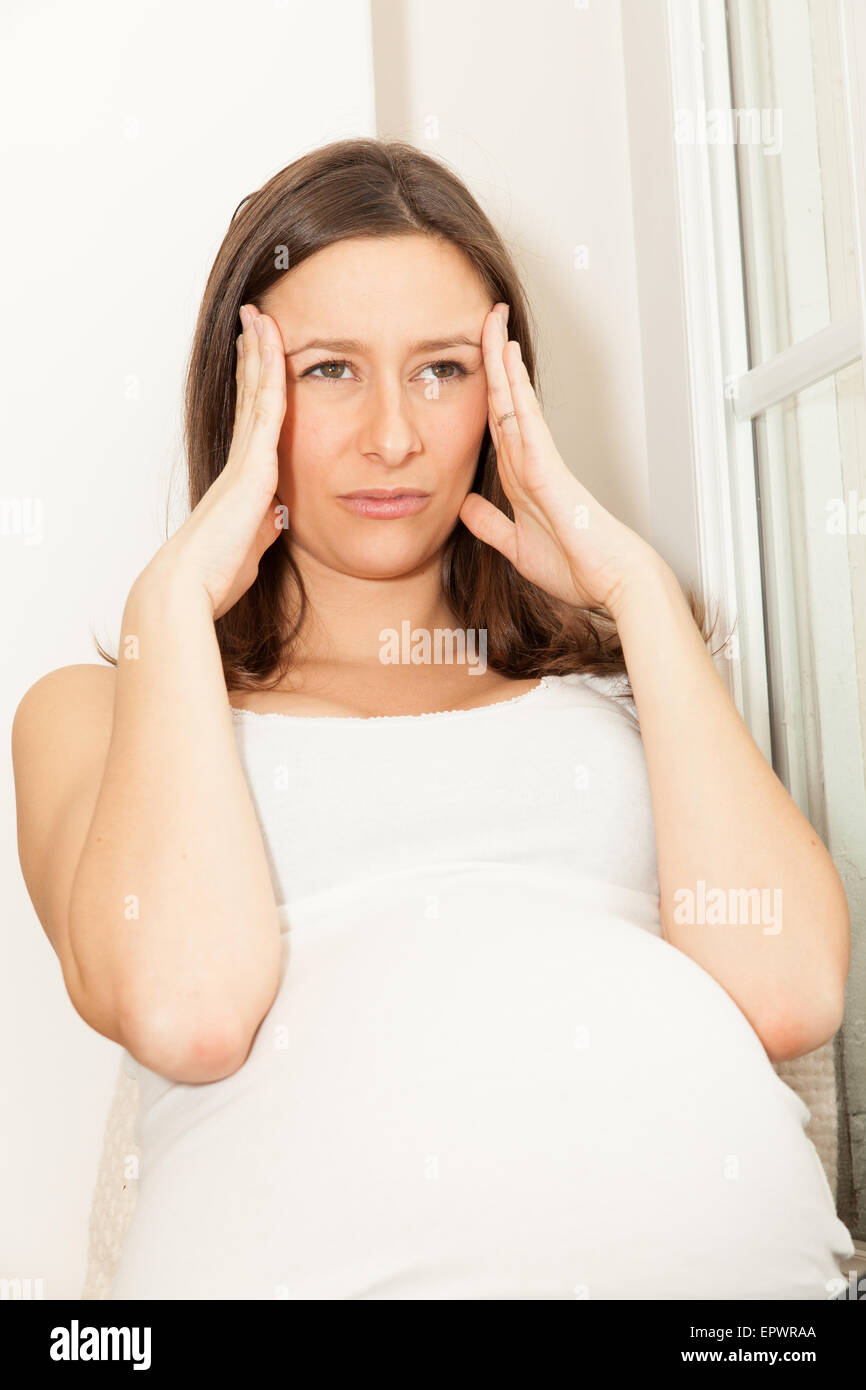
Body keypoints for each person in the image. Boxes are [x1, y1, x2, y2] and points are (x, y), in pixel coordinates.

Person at [12, 137, 854, 1299]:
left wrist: (635, 593)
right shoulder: (105, 708)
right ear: (238, 392)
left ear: (505, 395)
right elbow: (185, 1009)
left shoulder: (625, 678)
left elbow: (791, 986)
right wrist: (171, 599)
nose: (393, 437)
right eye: (329, 370)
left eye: (442, 370)